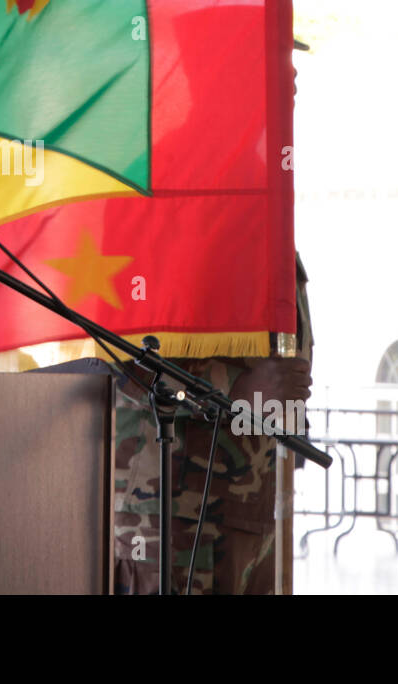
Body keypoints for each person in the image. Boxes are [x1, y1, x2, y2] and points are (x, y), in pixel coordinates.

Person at [113, 255, 313, 594]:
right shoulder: (165, 230)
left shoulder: (273, 236)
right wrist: (231, 387)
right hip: (174, 520)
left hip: (259, 518)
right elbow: (118, 356)